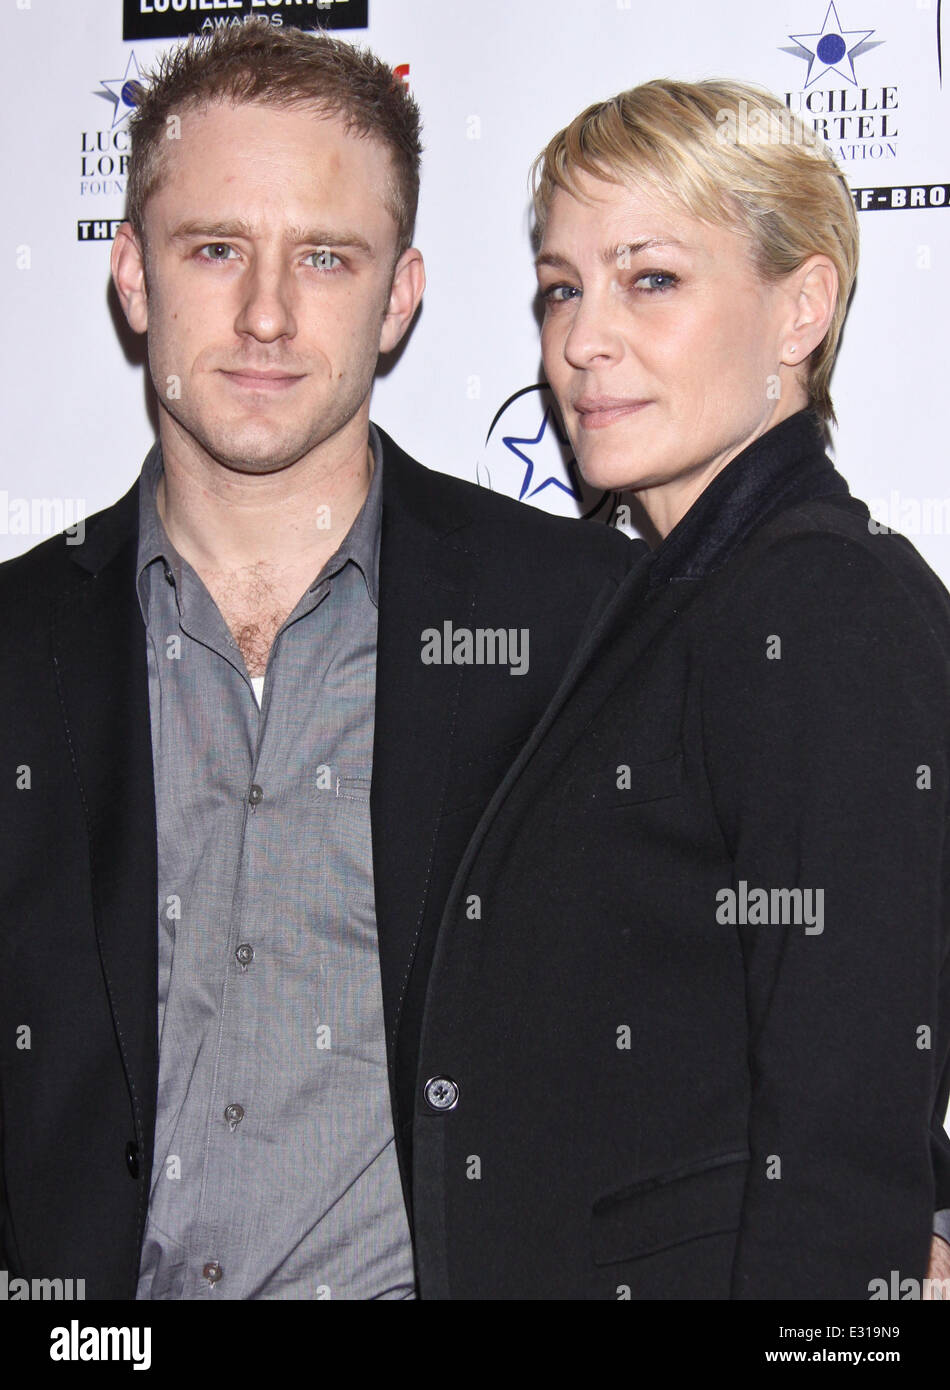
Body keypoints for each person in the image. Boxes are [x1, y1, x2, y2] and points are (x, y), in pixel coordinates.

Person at [0, 22, 635, 1299]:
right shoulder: (17, 645)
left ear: (399, 294)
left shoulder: (581, 623)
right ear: (132, 276)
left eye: (325, 257)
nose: (267, 314)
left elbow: (769, 971)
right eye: (216, 247)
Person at [408, 78, 950, 1299]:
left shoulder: (818, 606)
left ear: (799, 306)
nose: (581, 339)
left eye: (648, 278)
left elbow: (843, 1123)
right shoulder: (674, 598)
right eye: (561, 286)